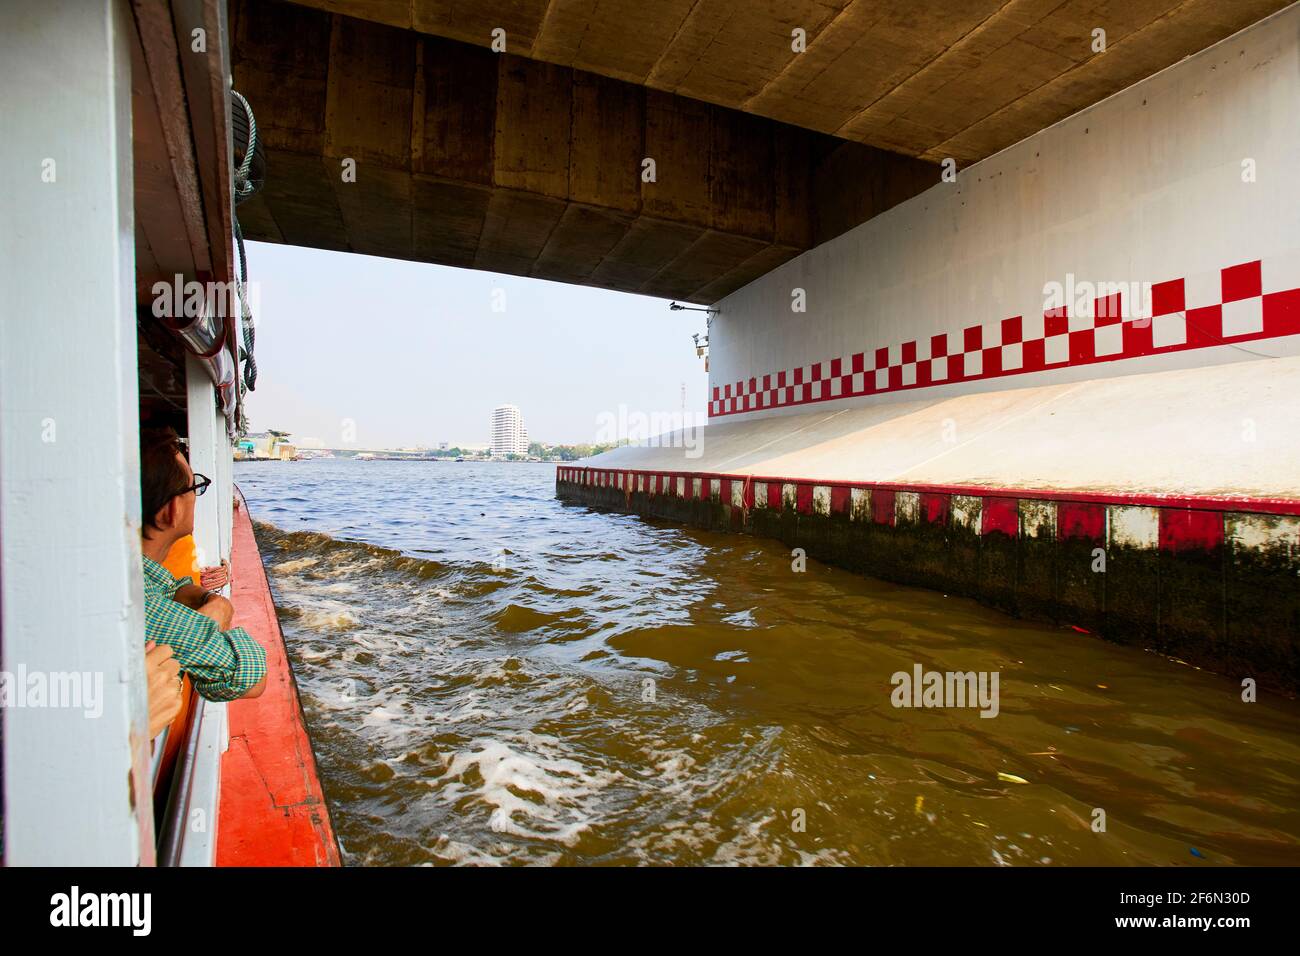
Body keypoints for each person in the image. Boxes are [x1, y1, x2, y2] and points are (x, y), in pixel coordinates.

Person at [139, 427, 266, 701]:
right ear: (171, 511)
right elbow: (253, 678)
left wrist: (211, 599)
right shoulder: (141, 606)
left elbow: (169, 587)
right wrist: (220, 614)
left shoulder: (137, 574)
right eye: (194, 486)